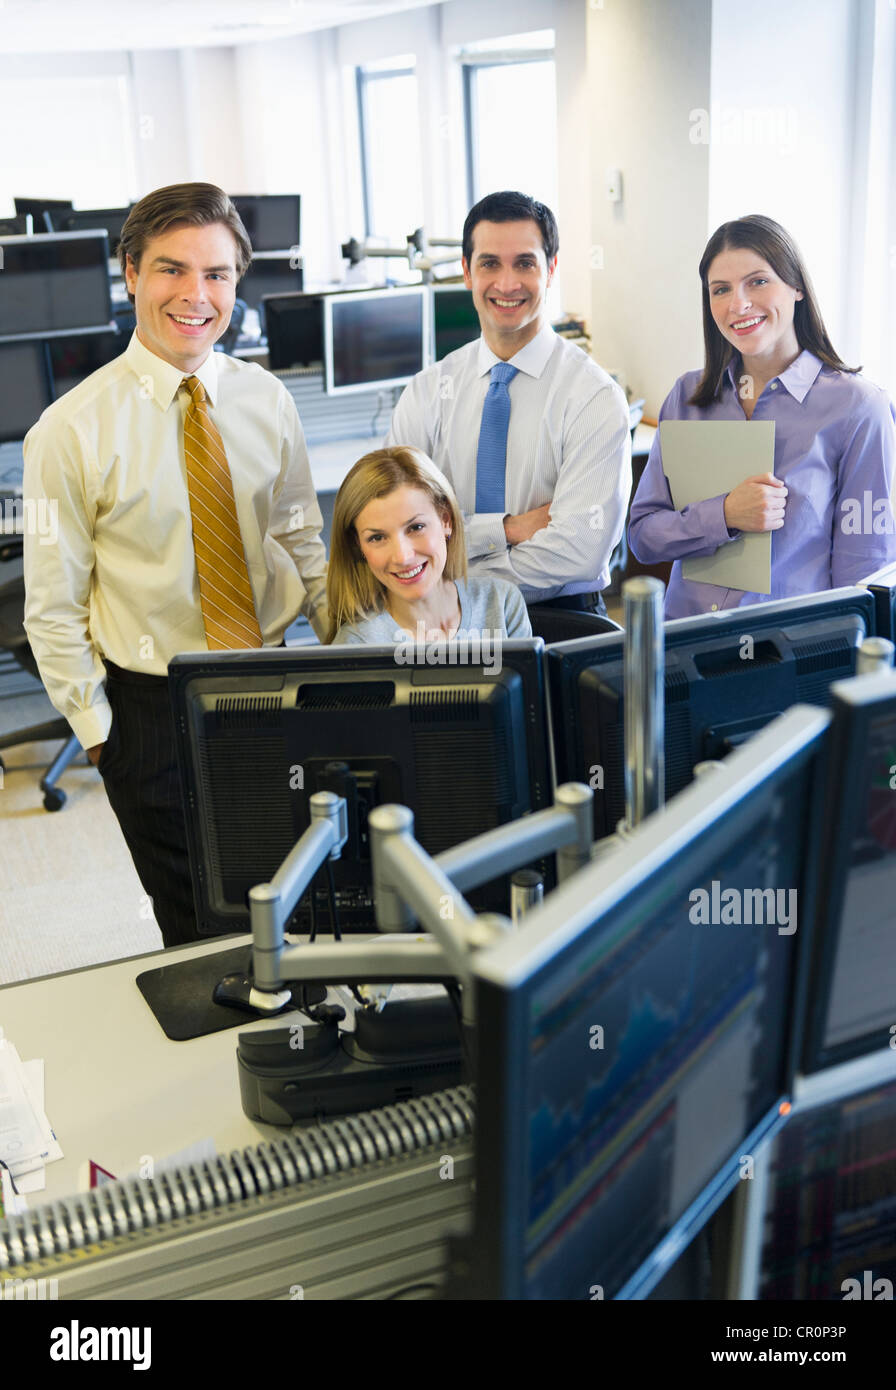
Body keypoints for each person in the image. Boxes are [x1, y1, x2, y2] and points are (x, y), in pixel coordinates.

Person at [23, 182, 328, 946]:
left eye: (218, 274)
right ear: (130, 272)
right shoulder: (63, 432)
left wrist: (357, 648)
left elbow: (301, 537)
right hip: (154, 713)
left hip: (276, 682)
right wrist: (103, 740)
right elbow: (51, 606)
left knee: (300, 906)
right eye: (171, 270)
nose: (197, 295)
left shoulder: (266, 400)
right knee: (200, 934)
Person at [628, 214, 896, 618]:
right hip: (683, 644)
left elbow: (864, 571)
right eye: (721, 290)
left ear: (797, 287)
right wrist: (724, 515)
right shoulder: (687, 396)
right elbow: (643, 537)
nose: (738, 304)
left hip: (791, 653)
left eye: (758, 281)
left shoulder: (859, 408)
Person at [386, 190, 631, 617]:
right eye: (489, 264)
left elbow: (579, 552)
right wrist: (508, 529)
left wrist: (449, 577)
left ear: (551, 269)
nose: (507, 284)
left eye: (525, 263)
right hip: (439, 622)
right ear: (466, 272)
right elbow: (395, 526)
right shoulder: (427, 392)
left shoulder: (593, 397)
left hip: (558, 620)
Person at [326, 446, 531, 646]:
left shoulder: (501, 603)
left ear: (446, 521)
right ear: (358, 546)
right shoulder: (356, 645)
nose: (403, 557)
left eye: (416, 527)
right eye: (377, 538)